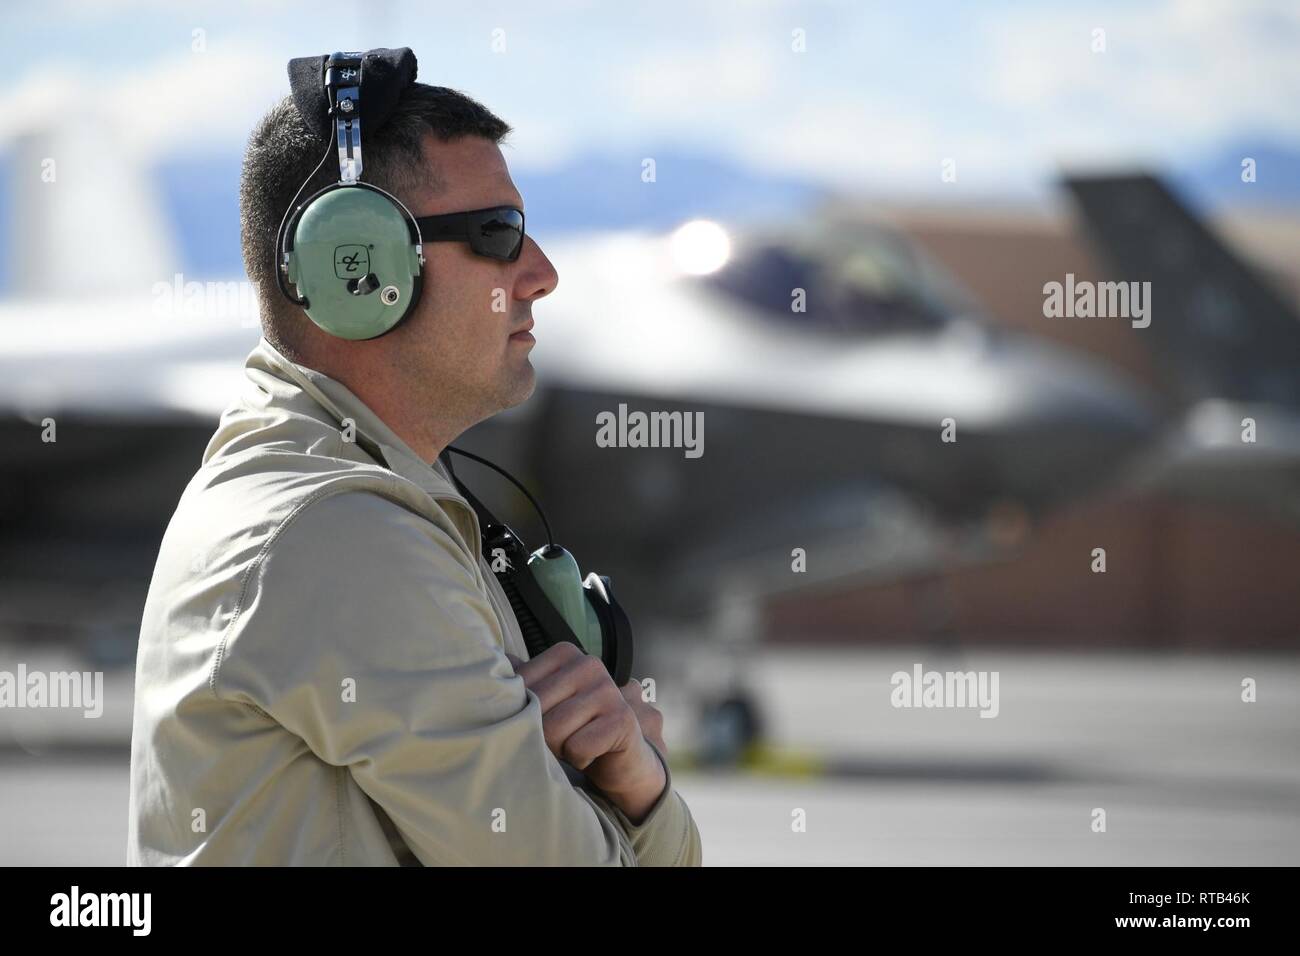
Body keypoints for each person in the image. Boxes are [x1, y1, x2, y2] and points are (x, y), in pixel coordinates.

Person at [126, 78, 702, 866]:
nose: (540, 272)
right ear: (354, 269)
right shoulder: (339, 533)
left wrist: (634, 789)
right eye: (499, 233)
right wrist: (640, 789)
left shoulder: (360, 495)